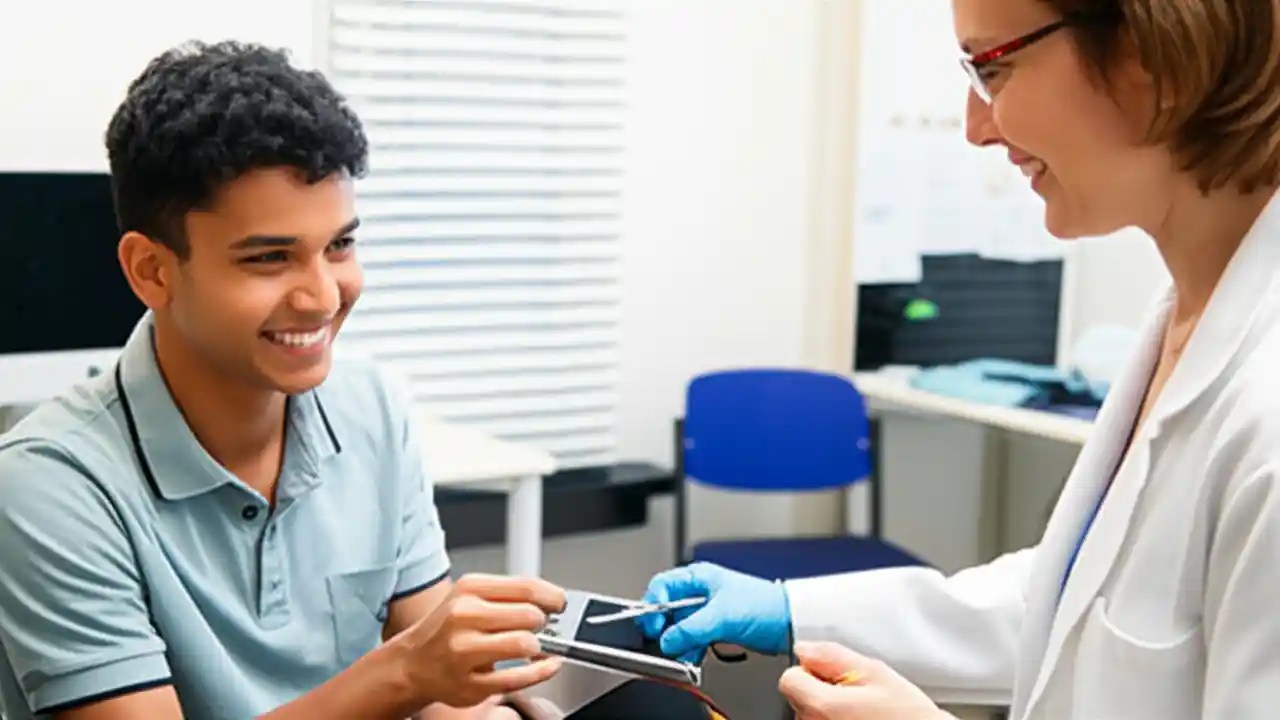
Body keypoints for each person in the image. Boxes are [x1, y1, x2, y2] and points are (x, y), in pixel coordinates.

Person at [643, 0, 1280, 718]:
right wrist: (793, 610)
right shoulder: (1187, 320)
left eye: (992, 68)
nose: (977, 127)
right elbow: (1074, 607)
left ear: (1151, 54)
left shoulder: (1266, 407)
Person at [0, 42, 566, 720]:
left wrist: (492, 706)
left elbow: (443, 691)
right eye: (270, 258)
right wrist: (403, 677)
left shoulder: (372, 409)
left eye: (340, 245)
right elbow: (414, 670)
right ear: (151, 271)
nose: (324, 297)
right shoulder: (49, 484)